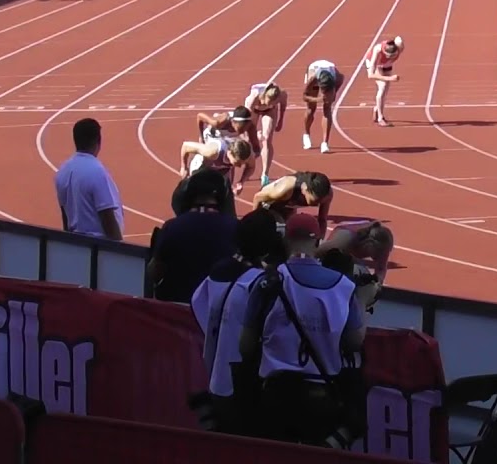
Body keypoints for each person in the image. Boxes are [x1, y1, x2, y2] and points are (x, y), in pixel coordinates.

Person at [239, 212, 367, 444]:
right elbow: (354, 342)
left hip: (275, 394)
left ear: (285, 240)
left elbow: (245, 346)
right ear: (318, 242)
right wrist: (364, 303)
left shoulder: (268, 282)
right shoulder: (344, 286)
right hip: (321, 395)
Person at [191, 208, 276, 435]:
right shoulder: (261, 282)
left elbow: (197, 306)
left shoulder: (218, 271)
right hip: (243, 381)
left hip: (214, 371)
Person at [149, 168, 238, 303]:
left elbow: (154, 272)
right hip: (217, 310)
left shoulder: (171, 227)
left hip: (177, 308)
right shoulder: (235, 228)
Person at [54, 118, 124, 241]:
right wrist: (120, 248)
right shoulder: (97, 171)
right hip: (100, 245)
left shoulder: (62, 171)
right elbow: (107, 216)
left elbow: (65, 215)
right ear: (98, 141)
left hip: (76, 242)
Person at [318, 220, 395, 308]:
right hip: (334, 254)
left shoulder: (381, 246)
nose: (379, 257)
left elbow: (381, 269)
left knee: (365, 280)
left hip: (349, 257)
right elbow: (317, 252)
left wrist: (376, 285)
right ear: (369, 244)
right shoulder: (344, 239)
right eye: (377, 253)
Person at [251, 171, 333, 237]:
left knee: (296, 233)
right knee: (276, 233)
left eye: (320, 201)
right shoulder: (286, 189)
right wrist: (254, 223)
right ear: (304, 189)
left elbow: (322, 220)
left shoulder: (327, 195)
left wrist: (320, 240)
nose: (316, 204)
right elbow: (257, 197)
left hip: (287, 207)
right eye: (314, 201)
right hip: (269, 205)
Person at [244, 83, 288, 186]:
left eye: (274, 102)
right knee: (249, 140)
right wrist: (255, 135)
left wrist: (280, 120)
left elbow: (283, 107)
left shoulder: (282, 95)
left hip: (270, 112)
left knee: (267, 139)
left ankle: (265, 174)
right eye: (269, 102)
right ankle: (248, 167)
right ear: (264, 96)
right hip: (254, 109)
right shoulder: (253, 98)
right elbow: (247, 124)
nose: (270, 103)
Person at [301, 59, 343, 153]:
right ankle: (306, 134)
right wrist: (318, 99)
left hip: (329, 80)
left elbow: (340, 81)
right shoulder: (313, 78)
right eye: (323, 90)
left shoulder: (337, 78)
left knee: (327, 109)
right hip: (315, 76)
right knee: (311, 109)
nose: (323, 93)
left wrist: (333, 94)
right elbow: (304, 97)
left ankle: (325, 143)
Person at [179, 136, 255, 188]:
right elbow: (185, 146)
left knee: (226, 194)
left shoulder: (247, 154)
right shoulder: (213, 151)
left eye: (242, 163)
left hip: (222, 169)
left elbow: (251, 167)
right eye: (237, 162)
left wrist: (241, 182)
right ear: (229, 153)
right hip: (202, 166)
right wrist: (184, 167)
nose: (239, 166)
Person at [364, 37, 404, 126]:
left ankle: (376, 109)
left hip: (386, 64)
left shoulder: (399, 47)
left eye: (392, 56)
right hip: (375, 63)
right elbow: (370, 75)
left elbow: (398, 39)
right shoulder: (377, 50)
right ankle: (380, 118)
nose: (389, 57)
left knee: (385, 90)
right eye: (388, 55)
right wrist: (391, 78)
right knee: (382, 86)